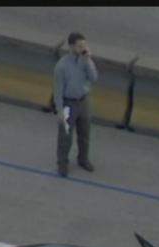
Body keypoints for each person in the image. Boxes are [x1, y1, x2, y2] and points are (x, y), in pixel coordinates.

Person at [53, 32, 98, 177]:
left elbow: (94, 78)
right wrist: (60, 111)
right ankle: (62, 163)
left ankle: (83, 159)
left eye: (84, 45)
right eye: (79, 46)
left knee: (85, 134)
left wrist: (88, 61)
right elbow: (58, 90)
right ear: (72, 46)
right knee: (65, 136)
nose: (83, 48)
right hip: (68, 103)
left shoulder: (85, 61)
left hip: (83, 101)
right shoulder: (62, 66)